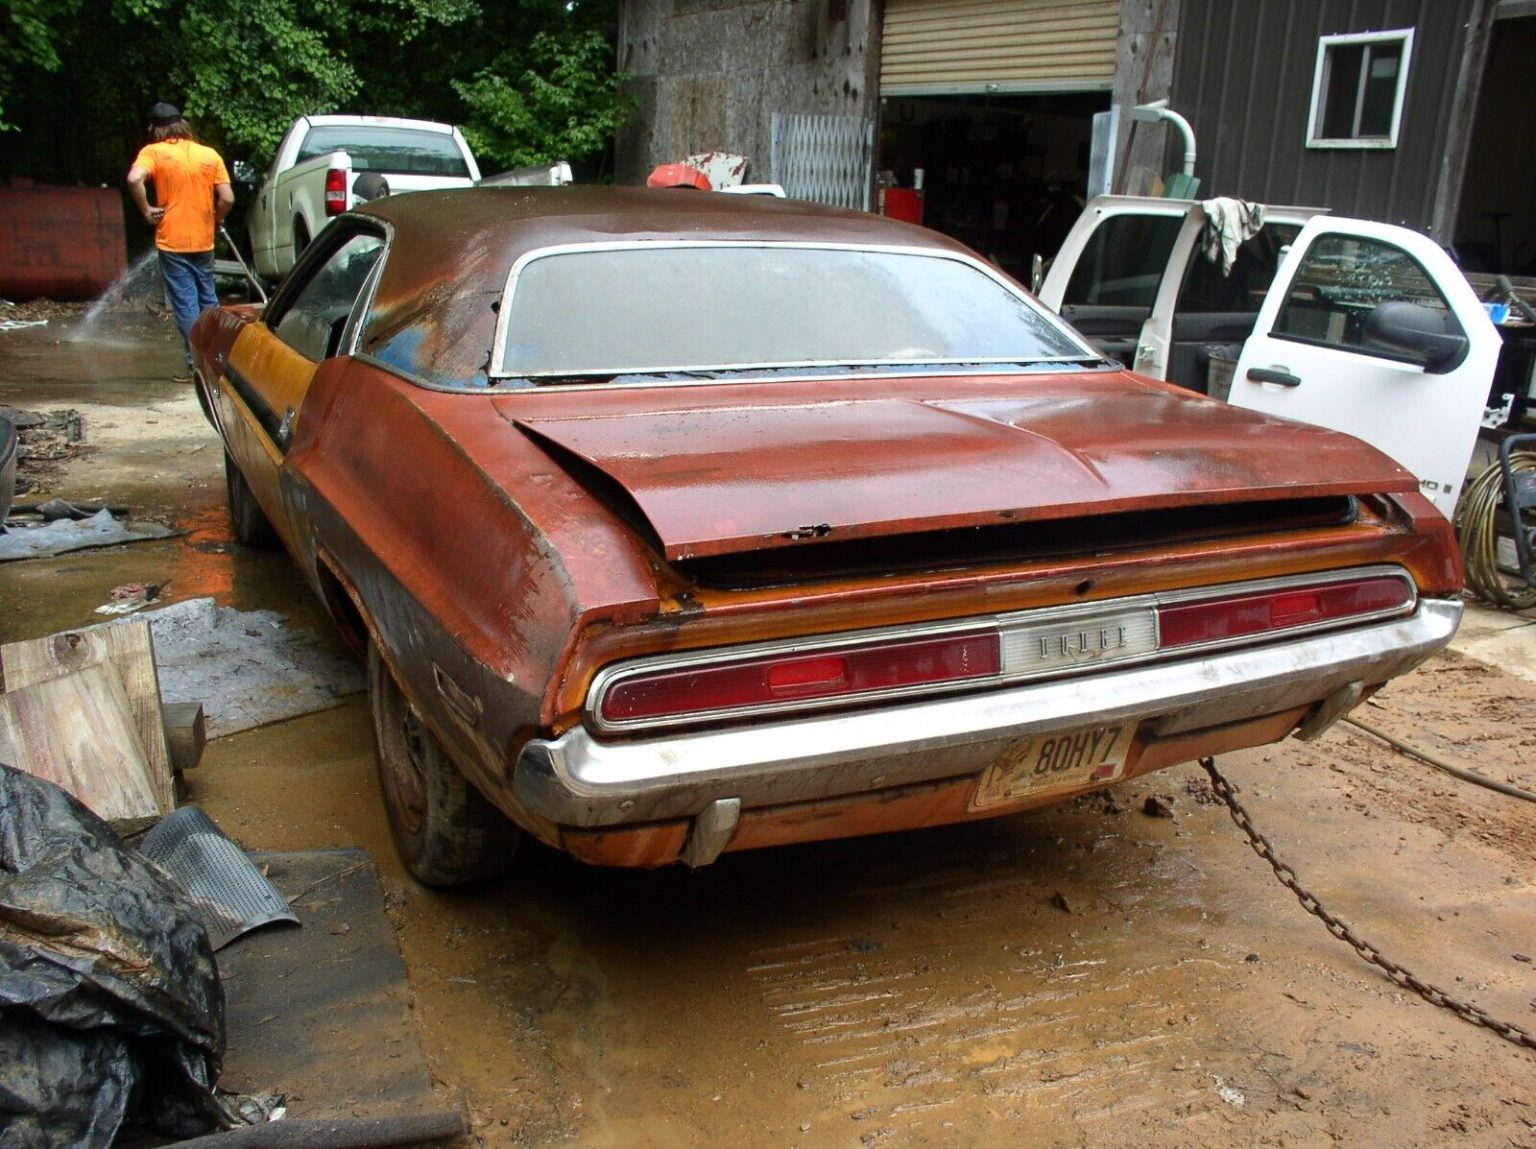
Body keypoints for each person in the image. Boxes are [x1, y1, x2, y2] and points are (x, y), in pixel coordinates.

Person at [126, 102, 234, 381]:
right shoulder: (209, 155)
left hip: (172, 241)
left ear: (155, 128)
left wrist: (146, 209)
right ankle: (218, 362)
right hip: (204, 240)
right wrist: (216, 218)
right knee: (208, 301)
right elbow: (227, 198)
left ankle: (196, 366)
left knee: (186, 304)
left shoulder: (153, 152)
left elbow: (134, 179)